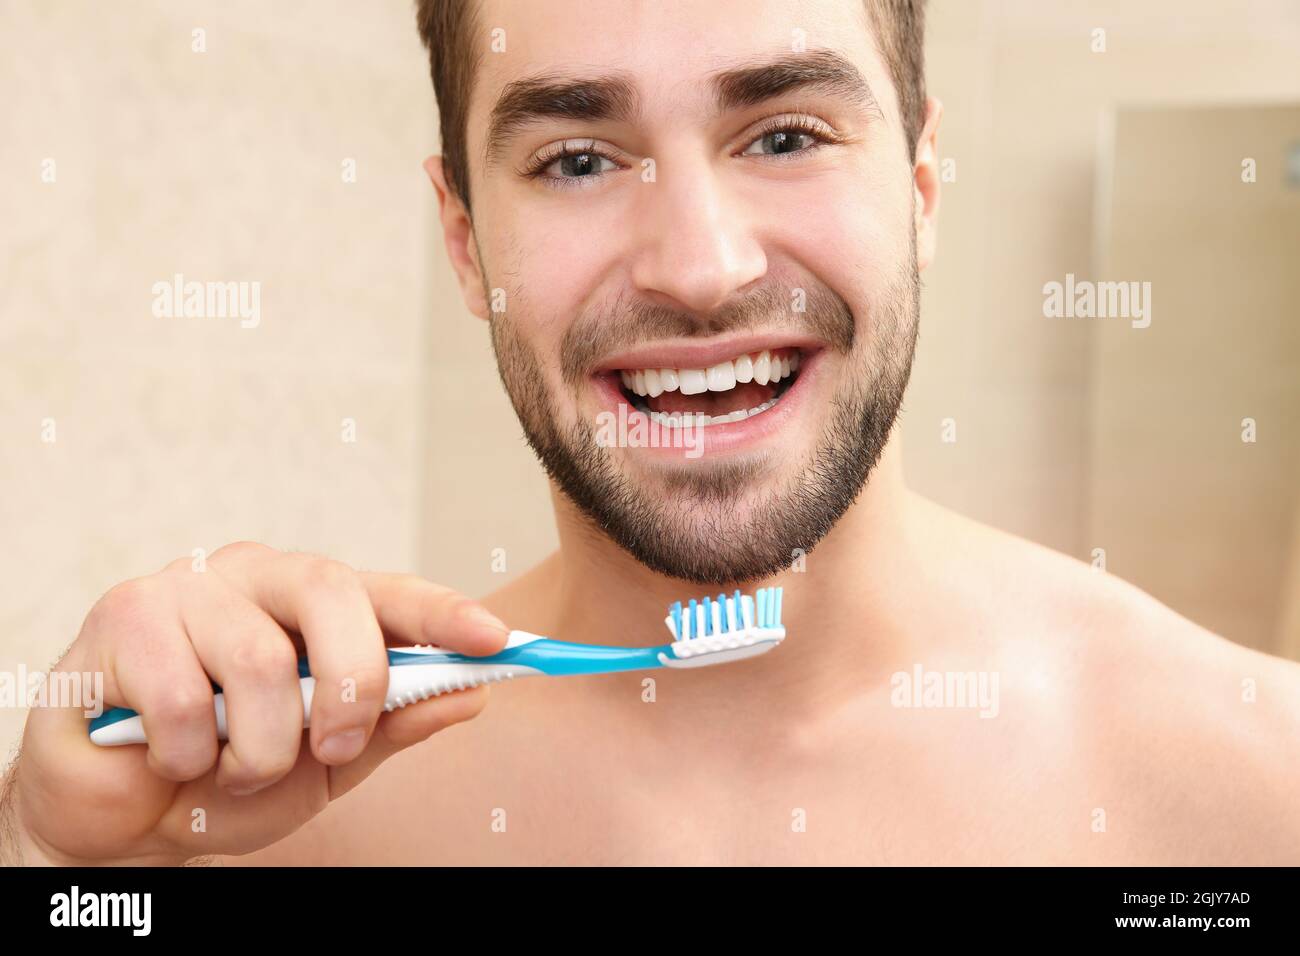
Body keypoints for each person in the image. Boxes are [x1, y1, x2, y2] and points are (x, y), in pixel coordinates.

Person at [3, 0, 1297, 866]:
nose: (700, 267)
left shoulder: (1248, 788)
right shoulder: (277, 817)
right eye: (576, 158)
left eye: (785, 134)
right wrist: (54, 870)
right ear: (466, 242)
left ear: (919, 188)